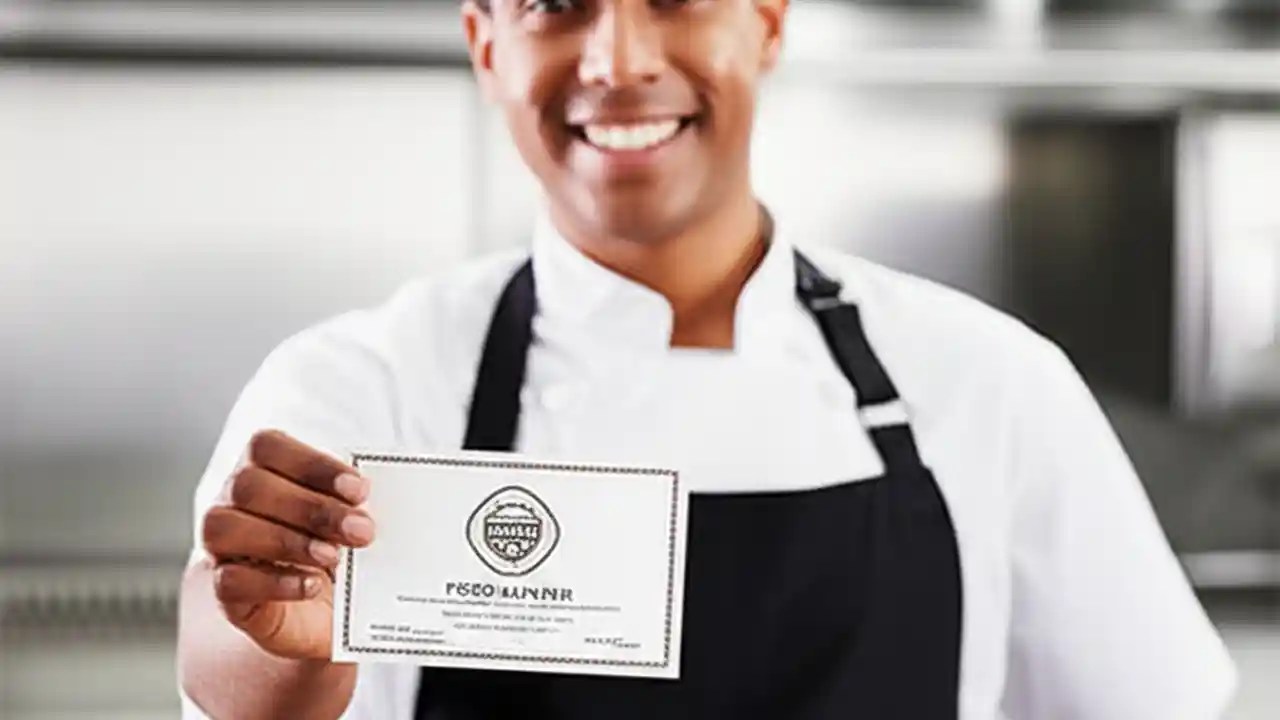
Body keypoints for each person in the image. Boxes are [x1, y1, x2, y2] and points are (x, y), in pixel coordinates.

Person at [177, 0, 1238, 718]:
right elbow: (236, 674)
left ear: (767, 19)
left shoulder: (989, 382)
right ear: (484, 42)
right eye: (553, 1)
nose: (619, 60)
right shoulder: (368, 382)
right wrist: (277, 637)